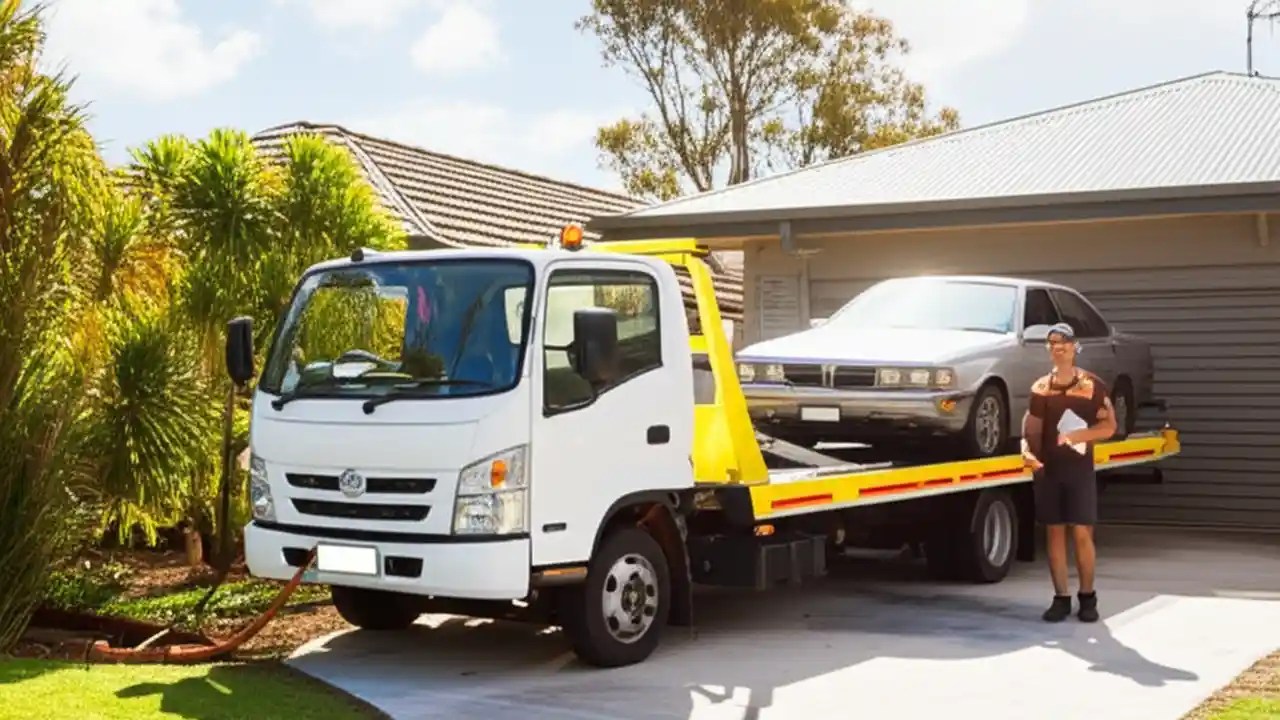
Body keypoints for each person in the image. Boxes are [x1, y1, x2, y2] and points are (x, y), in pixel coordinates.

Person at [1021, 322, 1118, 623]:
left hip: (1079, 470)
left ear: (1075, 347)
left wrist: (1079, 436)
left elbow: (1109, 426)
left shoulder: (1092, 385)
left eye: (1063, 342)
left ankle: (1087, 598)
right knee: (1054, 533)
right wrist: (1026, 451)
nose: (1057, 347)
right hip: (1049, 470)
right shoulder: (1040, 388)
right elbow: (1030, 429)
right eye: (1052, 342)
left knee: (1081, 533)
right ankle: (1061, 598)